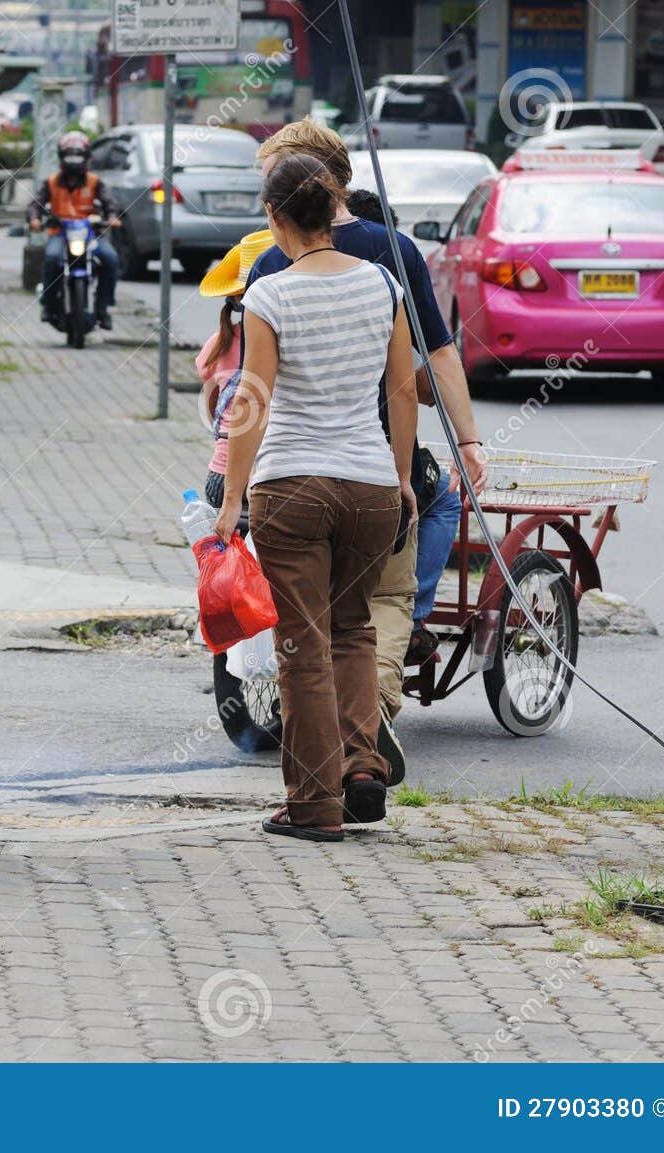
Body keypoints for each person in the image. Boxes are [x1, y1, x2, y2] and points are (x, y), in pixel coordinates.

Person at [246, 118, 489, 778]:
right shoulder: (394, 255)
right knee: (377, 606)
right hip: (377, 473)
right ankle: (371, 719)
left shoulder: (270, 267)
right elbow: (432, 359)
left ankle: (315, 777)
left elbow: (251, 395)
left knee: (307, 628)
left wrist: (231, 482)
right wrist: (464, 441)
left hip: (290, 478)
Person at [213, 154, 418, 842]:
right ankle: (362, 769)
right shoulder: (383, 284)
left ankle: (314, 804)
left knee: (302, 643)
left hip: (291, 486)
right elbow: (403, 391)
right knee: (354, 628)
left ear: (274, 217)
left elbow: (253, 399)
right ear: (334, 208)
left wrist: (232, 499)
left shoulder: (269, 293)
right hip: (370, 485)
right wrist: (401, 478)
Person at [197, 230, 274, 511]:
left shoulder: (219, 342)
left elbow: (211, 403)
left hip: (222, 473)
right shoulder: (290, 343)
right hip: (272, 477)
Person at [27, 131, 121, 330]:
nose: (74, 162)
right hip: (60, 233)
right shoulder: (51, 182)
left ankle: (103, 306)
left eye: (77, 157)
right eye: (70, 156)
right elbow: (35, 204)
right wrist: (34, 219)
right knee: (51, 258)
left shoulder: (94, 181)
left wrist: (112, 216)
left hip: (90, 234)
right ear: (62, 157)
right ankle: (48, 304)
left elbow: (109, 202)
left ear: (86, 158)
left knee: (111, 258)